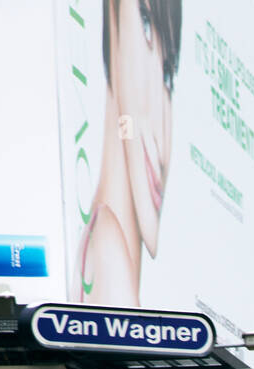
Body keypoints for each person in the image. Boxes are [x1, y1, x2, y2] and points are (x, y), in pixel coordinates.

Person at [71, 0, 183, 305]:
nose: (161, 123)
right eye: (146, 25)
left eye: (168, 77)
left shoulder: (104, 244)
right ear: (113, 16)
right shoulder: (107, 252)